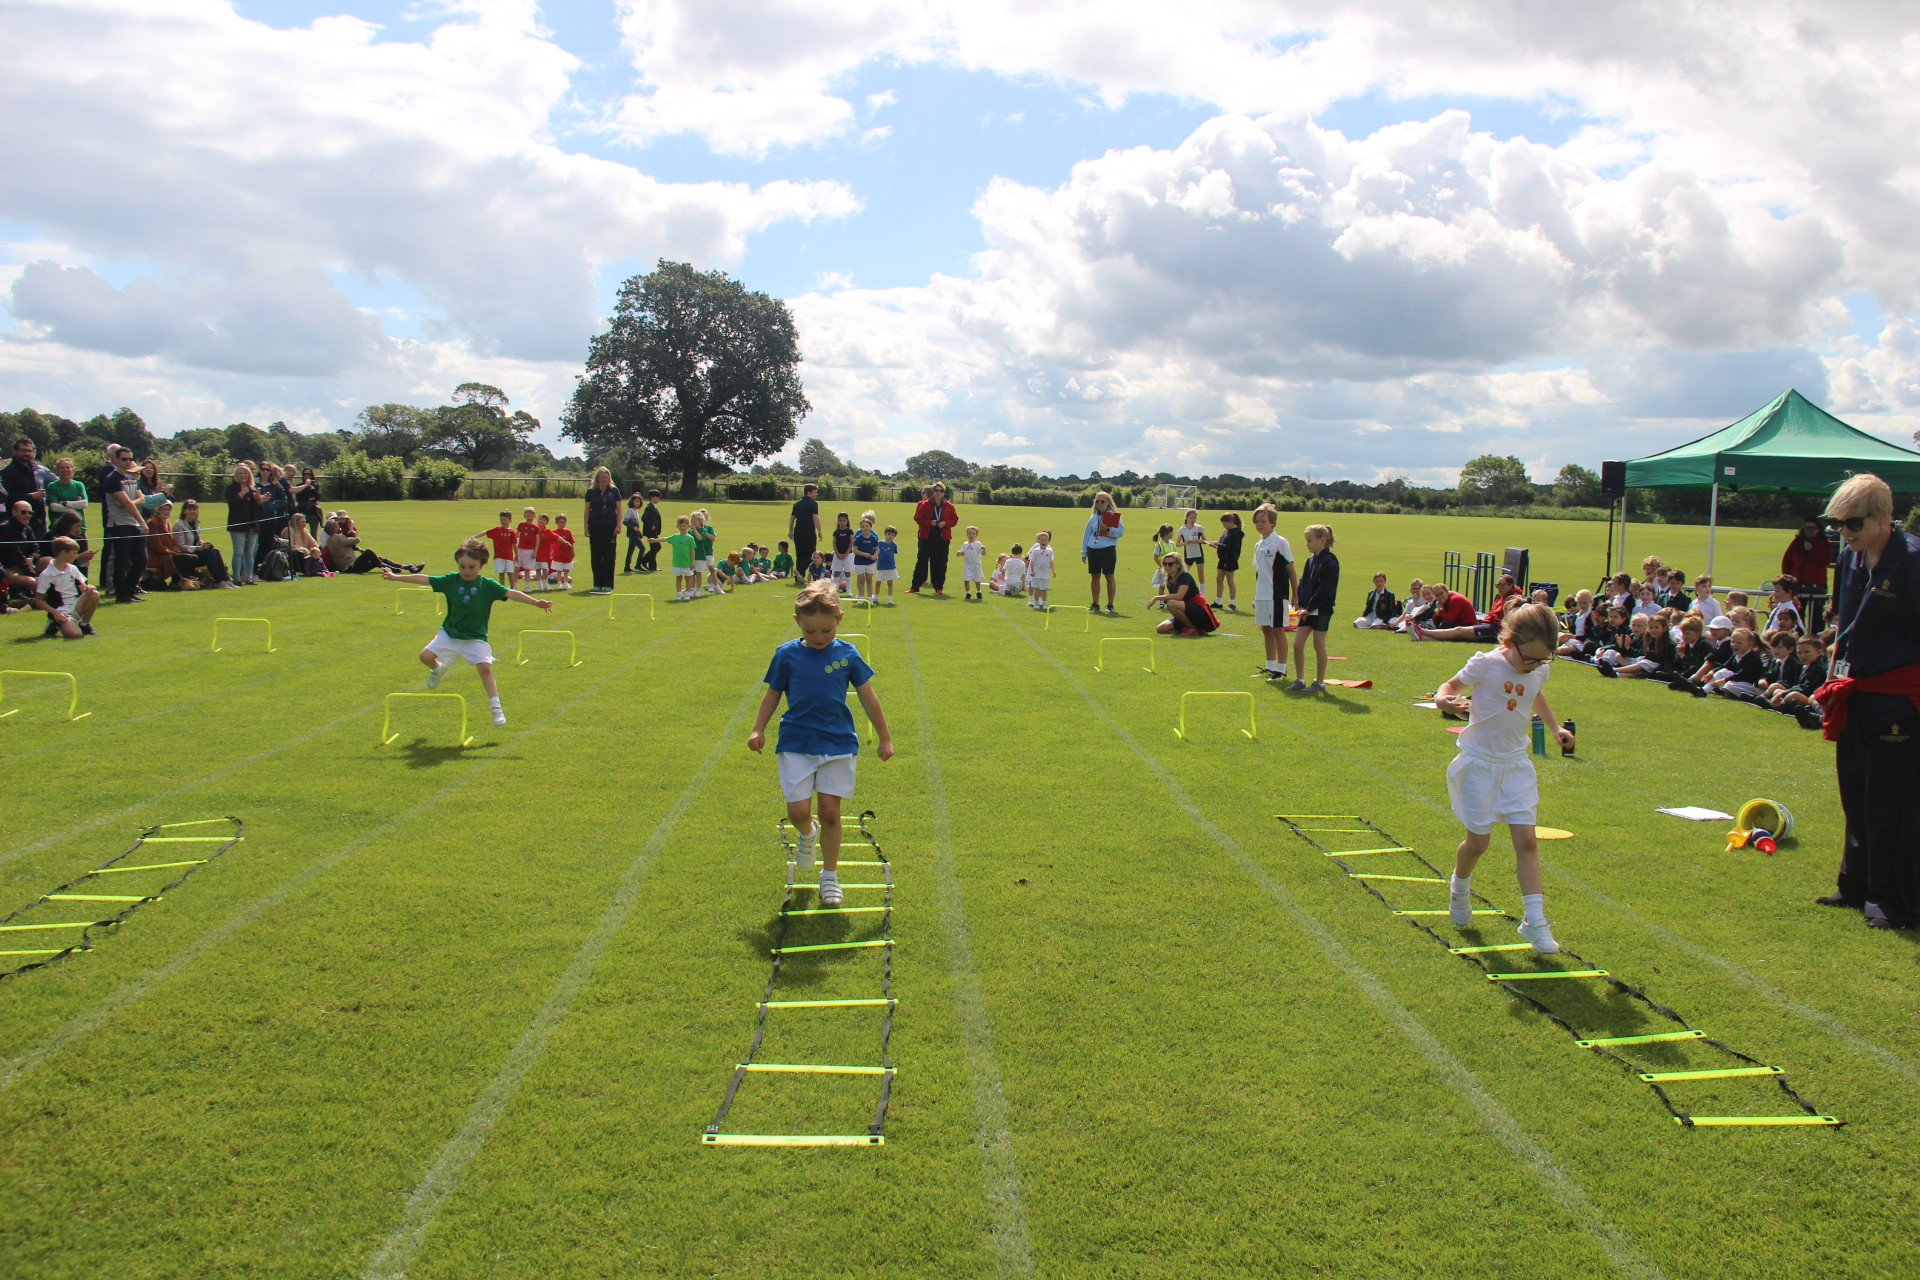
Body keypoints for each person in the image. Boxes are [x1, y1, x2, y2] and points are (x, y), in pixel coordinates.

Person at [1810, 474, 1920, 928]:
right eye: (1836, 524)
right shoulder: (1852, 560)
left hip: (1899, 698)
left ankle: (1892, 898)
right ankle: (1855, 884)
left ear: (1882, 517)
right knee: (1855, 791)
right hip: (1855, 693)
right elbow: (1846, 619)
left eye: (1852, 523)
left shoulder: (1913, 562)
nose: (1844, 533)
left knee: (1891, 800)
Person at [1433, 602, 1574, 954]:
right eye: (1530, 659)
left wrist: (1555, 729)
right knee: (1478, 843)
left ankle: (1535, 920)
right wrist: (1447, 702)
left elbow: (1535, 693)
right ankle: (1459, 887)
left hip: (1516, 765)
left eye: (1544, 660)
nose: (1535, 667)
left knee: (1527, 842)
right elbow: (1447, 689)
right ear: (1509, 641)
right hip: (1480, 764)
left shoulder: (1538, 669)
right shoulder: (1486, 664)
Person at [747, 580, 893, 906]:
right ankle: (806, 834)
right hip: (796, 740)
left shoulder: (847, 654)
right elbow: (772, 694)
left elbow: (869, 697)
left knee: (830, 811)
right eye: (811, 631)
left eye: (826, 630)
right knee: (798, 811)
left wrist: (884, 737)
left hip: (838, 742)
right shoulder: (786, 655)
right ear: (798, 622)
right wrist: (758, 729)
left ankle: (829, 875)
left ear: (839, 619)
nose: (819, 638)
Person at [385, 539, 551, 727]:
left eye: (471, 567)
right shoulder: (450, 580)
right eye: (462, 566)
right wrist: (396, 578)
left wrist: (537, 603)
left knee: (485, 669)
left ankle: (496, 708)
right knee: (425, 656)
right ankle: (438, 669)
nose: (466, 570)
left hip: (474, 638)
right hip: (450, 633)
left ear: (481, 565)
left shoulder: (487, 585)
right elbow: (425, 579)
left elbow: (511, 593)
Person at [1288, 524, 1339, 692]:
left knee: (1318, 644)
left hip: (1321, 610)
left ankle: (1319, 683)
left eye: (1310, 540)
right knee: (1298, 644)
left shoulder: (1330, 562)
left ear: (1322, 540)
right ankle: (1300, 680)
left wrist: (1309, 608)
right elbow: (1303, 583)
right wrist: (1300, 602)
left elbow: (1324, 589)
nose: (1307, 544)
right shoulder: (1311, 560)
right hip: (1307, 609)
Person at [1250, 503, 1296, 679]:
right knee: (1266, 629)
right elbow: (1259, 571)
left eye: (1263, 521)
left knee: (1278, 630)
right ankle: (1270, 666)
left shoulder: (1280, 542)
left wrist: (1295, 594)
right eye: (1257, 521)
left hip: (1276, 595)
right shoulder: (1258, 544)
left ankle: (1282, 669)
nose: (1259, 524)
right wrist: (1256, 596)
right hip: (1262, 595)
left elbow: (1291, 569)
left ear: (1272, 523)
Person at [1412, 574, 1519, 643]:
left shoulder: (1514, 599)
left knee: (1456, 630)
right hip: (1488, 625)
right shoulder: (1501, 597)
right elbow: (1438, 621)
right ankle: (1423, 637)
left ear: (1510, 585)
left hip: (1494, 630)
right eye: (1498, 585)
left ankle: (1421, 631)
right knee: (1454, 631)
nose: (1499, 588)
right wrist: (1439, 611)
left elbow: (1448, 619)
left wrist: (1441, 610)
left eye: (1502, 585)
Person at [104, 449, 150, 602]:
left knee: (141, 560)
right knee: (122, 560)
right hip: (119, 524)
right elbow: (126, 504)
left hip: (132, 522)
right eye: (124, 459)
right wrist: (142, 521)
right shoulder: (112, 478)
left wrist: (129, 503)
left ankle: (130, 590)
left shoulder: (131, 478)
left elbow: (141, 500)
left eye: (130, 459)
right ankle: (122, 594)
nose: (128, 462)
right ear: (116, 460)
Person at [33, 536, 97, 638]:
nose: (76, 556)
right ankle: (54, 623)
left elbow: (83, 588)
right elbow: (38, 601)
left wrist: (88, 588)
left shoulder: (73, 568)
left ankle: (85, 624)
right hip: (61, 611)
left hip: (76, 605)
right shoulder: (47, 575)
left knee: (94, 594)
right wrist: (55, 613)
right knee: (75, 635)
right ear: (63, 553)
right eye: (74, 553)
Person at [1783, 515, 1835, 629]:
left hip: (1817, 586)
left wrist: (1812, 550)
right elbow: (1787, 561)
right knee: (1797, 615)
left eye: (1812, 528)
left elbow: (1826, 560)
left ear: (1818, 529)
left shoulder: (1823, 543)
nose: (1809, 530)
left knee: (1817, 617)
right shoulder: (1797, 542)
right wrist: (1787, 579)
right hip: (1798, 585)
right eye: (1807, 527)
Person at [170, 499, 236, 587]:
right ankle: (219, 581)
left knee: (215, 551)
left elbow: (198, 539)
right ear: (184, 511)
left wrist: (205, 544)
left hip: (196, 553)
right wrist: (198, 548)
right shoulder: (179, 525)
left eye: (195, 509)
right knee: (210, 554)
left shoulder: (195, 523)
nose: (193, 512)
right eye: (190, 509)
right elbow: (180, 546)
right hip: (186, 556)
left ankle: (225, 579)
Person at [1152, 551, 1220, 636]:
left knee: (1170, 603)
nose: (1166, 566)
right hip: (1186, 611)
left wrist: (1157, 597)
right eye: (1164, 564)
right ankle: (1196, 630)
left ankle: (1191, 628)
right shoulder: (1169, 579)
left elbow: (1179, 597)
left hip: (1199, 612)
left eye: (1170, 564)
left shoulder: (1185, 576)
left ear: (1178, 565)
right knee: (1161, 629)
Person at [909, 483, 958, 595]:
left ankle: (938, 587)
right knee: (921, 561)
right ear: (933, 491)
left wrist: (946, 523)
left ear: (944, 493)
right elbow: (917, 518)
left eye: (941, 491)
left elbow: (955, 520)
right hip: (926, 536)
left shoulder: (949, 506)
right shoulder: (924, 504)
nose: (938, 492)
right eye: (936, 490)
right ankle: (915, 587)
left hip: (942, 537)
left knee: (940, 563)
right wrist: (929, 522)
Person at [1081, 490, 1125, 613]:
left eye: (1102, 501)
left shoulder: (1113, 516)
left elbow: (1121, 532)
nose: (1099, 503)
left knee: (1109, 576)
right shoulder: (1094, 516)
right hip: (1093, 549)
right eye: (1097, 501)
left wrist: (1108, 529)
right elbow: (1087, 534)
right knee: (1095, 576)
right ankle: (1095, 603)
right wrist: (1084, 552)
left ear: (1108, 503)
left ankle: (1110, 604)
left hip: (1107, 549)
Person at [45, 457, 88, 578]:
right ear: (57, 470)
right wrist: (75, 504)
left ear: (72, 469)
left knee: (83, 561)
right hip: (61, 531)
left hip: (80, 528)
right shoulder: (53, 486)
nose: (65, 470)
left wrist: (64, 503)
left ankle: (82, 586)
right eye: (62, 468)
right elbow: (53, 507)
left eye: (67, 467)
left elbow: (84, 504)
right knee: (63, 559)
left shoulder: (79, 485)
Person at [583, 465, 622, 594]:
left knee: (609, 555)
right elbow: (587, 510)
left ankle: (608, 583)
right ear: (597, 478)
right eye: (602, 477)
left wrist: (618, 525)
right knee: (596, 555)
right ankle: (597, 583)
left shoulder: (614, 491)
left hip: (610, 527)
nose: (605, 479)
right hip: (595, 526)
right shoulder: (591, 492)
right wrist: (586, 526)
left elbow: (619, 509)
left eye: (607, 477)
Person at [224, 461, 261, 586]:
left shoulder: (252, 488)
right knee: (238, 552)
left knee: (250, 553)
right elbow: (233, 504)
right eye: (240, 473)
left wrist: (259, 500)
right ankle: (236, 578)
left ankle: (249, 577)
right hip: (238, 525)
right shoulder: (231, 488)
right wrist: (242, 493)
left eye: (246, 473)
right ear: (236, 474)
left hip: (252, 525)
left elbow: (258, 509)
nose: (243, 475)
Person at [1, 437, 50, 529]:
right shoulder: (7, 472)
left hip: (37, 520)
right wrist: (30, 496)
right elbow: (7, 497)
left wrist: (41, 518)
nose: (27, 453)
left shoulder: (34, 470)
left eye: (29, 451)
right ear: (15, 451)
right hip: (17, 522)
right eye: (23, 450)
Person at [788, 482, 822, 584]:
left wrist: (790, 531)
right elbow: (815, 518)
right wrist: (820, 530)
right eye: (815, 492)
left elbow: (792, 518)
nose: (816, 494)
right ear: (809, 492)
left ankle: (799, 576)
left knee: (800, 554)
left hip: (798, 531)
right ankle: (800, 571)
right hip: (808, 532)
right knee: (811, 555)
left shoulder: (797, 503)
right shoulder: (813, 504)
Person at [1210, 512, 1244, 610]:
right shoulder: (1226, 532)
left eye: (1225, 524)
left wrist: (1219, 545)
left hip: (1230, 559)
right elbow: (1222, 543)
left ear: (1231, 522)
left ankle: (1232, 603)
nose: (1224, 526)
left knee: (1230, 580)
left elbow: (1232, 547)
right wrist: (1215, 545)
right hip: (1222, 558)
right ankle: (1218, 601)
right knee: (1219, 579)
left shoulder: (1237, 533)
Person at [664, 515, 698, 601]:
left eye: (684, 525)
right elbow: (665, 539)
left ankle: (687, 593)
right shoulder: (675, 537)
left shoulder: (690, 538)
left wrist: (693, 562)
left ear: (688, 526)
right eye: (681, 525)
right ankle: (679, 594)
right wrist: (654, 540)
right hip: (677, 562)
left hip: (687, 562)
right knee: (678, 578)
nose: (682, 527)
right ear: (677, 526)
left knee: (688, 578)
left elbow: (692, 550)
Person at [482, 511, 517, 586]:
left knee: (510, 573)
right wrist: (474, 537)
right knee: (501, 573)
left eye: (505, 520)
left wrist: (517, 555)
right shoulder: (497, 530)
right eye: (501, 520)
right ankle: (503, 588)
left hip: (508, 556)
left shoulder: (511, 532)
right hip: (499, 556)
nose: (503, 521)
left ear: (510, 520)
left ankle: (512, 588)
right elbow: (486, 532)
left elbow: (514, 544)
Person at [852, 510, 880, 603]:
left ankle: (869, 597)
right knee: (860, 578)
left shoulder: (874, 535)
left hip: (870, 561)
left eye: (870, 520)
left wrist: (874, 556)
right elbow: (855, 546)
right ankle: (860, 594)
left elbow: (877, 547)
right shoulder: (859, 534)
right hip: (860, 560)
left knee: (869, 579)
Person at [1176, 508, 1206, 582]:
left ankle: (1202, 592)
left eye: (1195, 518)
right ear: (1187, 518)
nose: (1193, 519)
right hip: (1189, 555)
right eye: (1191, 518)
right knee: (1184, 573)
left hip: (1198, 554)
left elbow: (1205, 541)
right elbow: (1177, 544)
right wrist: (1186, 543)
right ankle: (1180, 590)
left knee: (1201, 574)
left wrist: (1197, 541)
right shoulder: (1182, 530)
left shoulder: (1198, 528)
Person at [291, 467, 323, 537]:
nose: (307, 476)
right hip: (302, 511)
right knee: (301, 532)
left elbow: (318, 497)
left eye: (309, 474)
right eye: (305, 474)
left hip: (313, 512)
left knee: (313, 534)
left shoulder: (315, 486)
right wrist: (310, 497)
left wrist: (312, 488)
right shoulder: (299, 486)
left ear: (312, 475)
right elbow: (299, 498)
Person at [1028, 530, 1055, 610]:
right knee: (1036, 588)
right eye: (1041, 540)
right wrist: (1032, 571)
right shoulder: (1035, 550)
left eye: (1045, 540)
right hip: (1036, 573)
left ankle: (1044, 603)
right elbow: (1032, 561)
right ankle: (1035, 602)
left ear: (1048, 541)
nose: (1043, 541)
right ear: (1038, 541)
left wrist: (1053, 570)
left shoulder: (1049, 551)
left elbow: (1051, 561)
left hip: (1045, 574)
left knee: (1044, 589)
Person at [959, 525, 987, 601]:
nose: (971, 535)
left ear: (976, 535)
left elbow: (983, 554)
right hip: (967, 564)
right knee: (966, 579)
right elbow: (963, 553)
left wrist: (984, 549)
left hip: (976, 564)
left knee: (977, 580)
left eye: (973, 534)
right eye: (969, 533)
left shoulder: (978, 544)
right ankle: (968, 593)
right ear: (967, 534)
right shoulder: (965, 544)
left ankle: (978, 592)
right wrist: (959, 553)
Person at [550, 513, 576, 591]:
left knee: (566, 570)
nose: (562, 524)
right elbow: (551, 543)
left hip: (567, 554)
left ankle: (565, 583)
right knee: (559, 570)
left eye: (564, 522)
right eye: (560, 522)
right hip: (558, 554)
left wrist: (572, 551)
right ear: (556, 523)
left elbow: (571, 542)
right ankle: (559, 583)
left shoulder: (567, 531)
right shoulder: (554, 532)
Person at [829, 511, 854, 592]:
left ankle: (849, 590)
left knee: (847, 572)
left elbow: (851, 542)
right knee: (837, 572)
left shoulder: (849, 531)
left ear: (847, 521)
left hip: (848, 555)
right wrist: (837, 554)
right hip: (838, 555)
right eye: (840, 520)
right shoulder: (836, 532)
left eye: (844, 521)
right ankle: (834, 589)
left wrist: (847, 553)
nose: (842, 522)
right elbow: (834, 543)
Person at [874, 526, 900, 605]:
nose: (890, 536)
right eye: (888, 534)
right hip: (881, 566)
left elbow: (894, 553)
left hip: (890, 566)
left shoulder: (894, 545)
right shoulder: (879, 543)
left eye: (892, 535)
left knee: (890, 582)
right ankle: (876, 596)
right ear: (885, 534)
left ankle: (889, 598)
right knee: (878, 582)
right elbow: (876, 552)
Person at [622, 494, 646, 573]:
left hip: (635, 534)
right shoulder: (630, 511)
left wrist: (639, 533)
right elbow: (625, 521)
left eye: (639, 501)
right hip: (632, 534)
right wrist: (633, 528)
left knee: (630, 551)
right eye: (636, 501)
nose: (638, 503)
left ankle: (627, 567)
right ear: (632, 502)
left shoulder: (635, 511)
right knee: (642, 548)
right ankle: (638, 566)